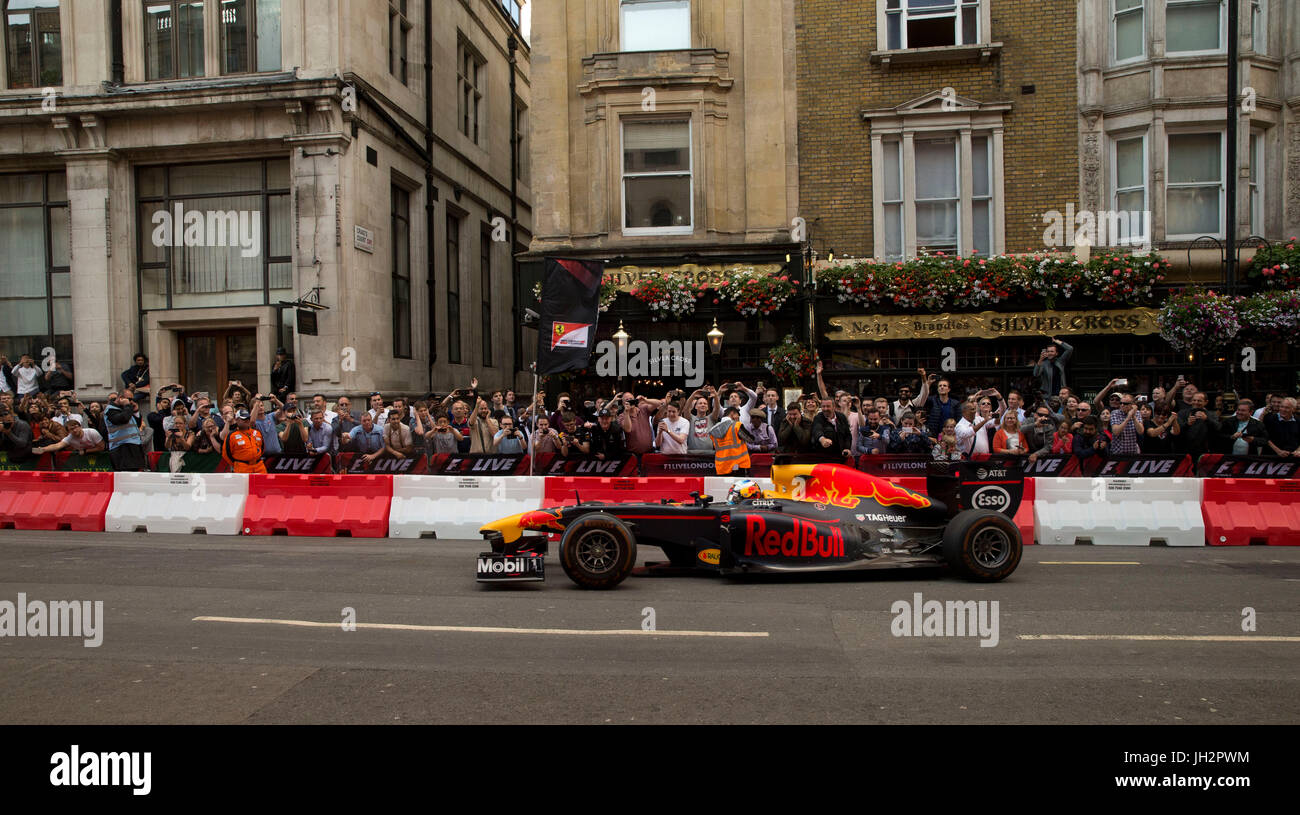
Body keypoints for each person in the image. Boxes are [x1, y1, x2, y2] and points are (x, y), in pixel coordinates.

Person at [104, 390, 147, 471]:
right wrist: (127, 406)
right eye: (129, 399)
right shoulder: (111, 410)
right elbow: (123, 419)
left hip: (134, 445)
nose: (131, 402)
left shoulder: (125, 409)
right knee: (126, 474)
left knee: (136, 472)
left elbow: (137, 424)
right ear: (121, 398)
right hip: (121, 448)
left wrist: (136, 411)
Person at [709, 405, 753, 476]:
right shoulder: (737, 426)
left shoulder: (714, 430)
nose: (738, 419)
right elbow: (750, 439)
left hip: (722, 467)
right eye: (738, 416)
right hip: (739, 466)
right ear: (732, 413)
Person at [221, 409, 266, 473]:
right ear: (237, 419)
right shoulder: (231, 436)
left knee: (263, 483)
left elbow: (262, 448)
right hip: (242, 468)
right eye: (243, 419)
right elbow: (226, 454)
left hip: (259, 466)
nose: (246, 421)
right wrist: (238, 464)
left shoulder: (257, 432)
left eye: (248, 418)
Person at [33, 416, 104, 454]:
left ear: (80, 427)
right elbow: (57, 445)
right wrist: (43, 449)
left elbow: (102, 447)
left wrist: (86, 451)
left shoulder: (92, 432)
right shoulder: (70, 438)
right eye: (72, 429)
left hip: (100, 455)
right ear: (68, 431)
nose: (75, 430)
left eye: (76, 427)